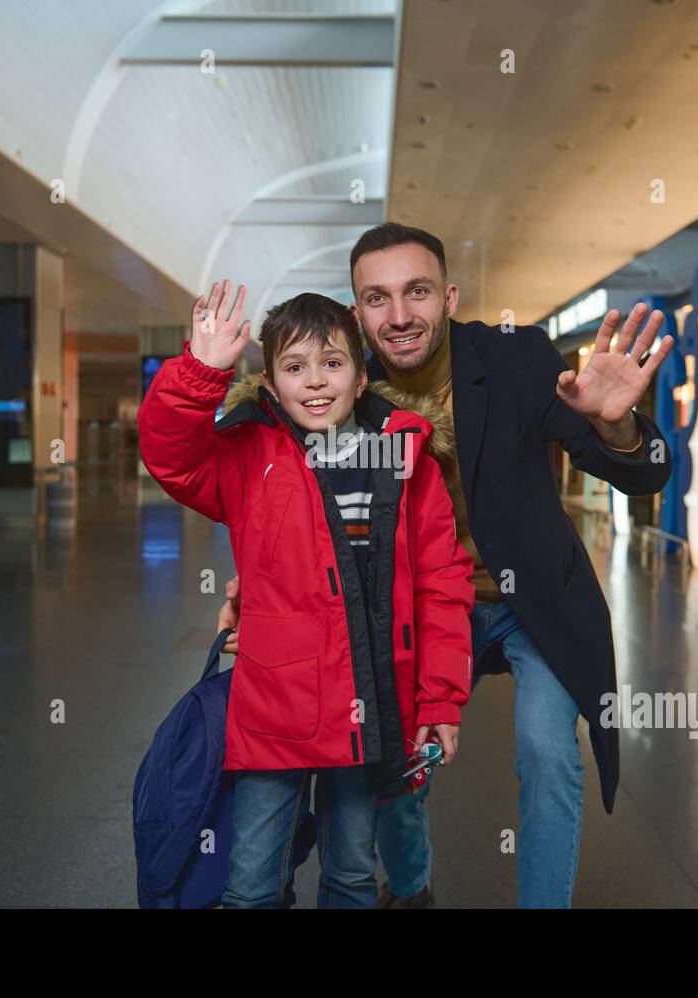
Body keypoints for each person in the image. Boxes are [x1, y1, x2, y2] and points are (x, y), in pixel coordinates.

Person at [219, 223, 675, 908]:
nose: (399, 315)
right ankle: (411, 889)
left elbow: (638, 476)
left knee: (548, 753)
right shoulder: (339, 383)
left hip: (533, 605)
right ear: (356, 311)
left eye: (417, 292)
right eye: (377, 298)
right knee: (397, 764)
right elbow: (289, 501)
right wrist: (259, 582)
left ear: (449, 296)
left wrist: (617, 426)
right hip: (412, 607)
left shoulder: (516, 358)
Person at [138, 281, 473, 908]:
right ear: (270, 385)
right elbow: (171, 456)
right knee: (251, 884)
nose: (315, 382)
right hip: (275, 706)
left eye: (332, 363)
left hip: (369, 705)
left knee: (350, 874)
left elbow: (442, 584)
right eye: (295, 367)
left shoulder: (407, 460)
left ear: (361, 377)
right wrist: (198, 371)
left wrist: (441, 700)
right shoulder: (247, 456)